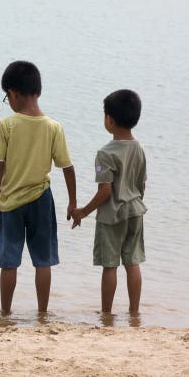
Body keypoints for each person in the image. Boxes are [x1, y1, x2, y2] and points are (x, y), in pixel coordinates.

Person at [0, 61, 77, 314]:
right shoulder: (53, 127)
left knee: (9, 263)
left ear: (13, 93)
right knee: (43, 261)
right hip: (41, 199)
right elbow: (67, 168)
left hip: (10, 202)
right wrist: (72, 202)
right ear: (37, 91)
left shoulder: (7, 126)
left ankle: (5, 313)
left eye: (7, 97)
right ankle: (42, 313)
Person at [71, 89, 146, 315]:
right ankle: (134, 312)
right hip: (135, 210)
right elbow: (142, 183)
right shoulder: (139, 148)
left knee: (110, 265)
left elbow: (105, 191)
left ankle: (106, 312)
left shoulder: (104, 153)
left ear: (109, 120)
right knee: (133, 262)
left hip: (111, 216)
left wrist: (83, 211)